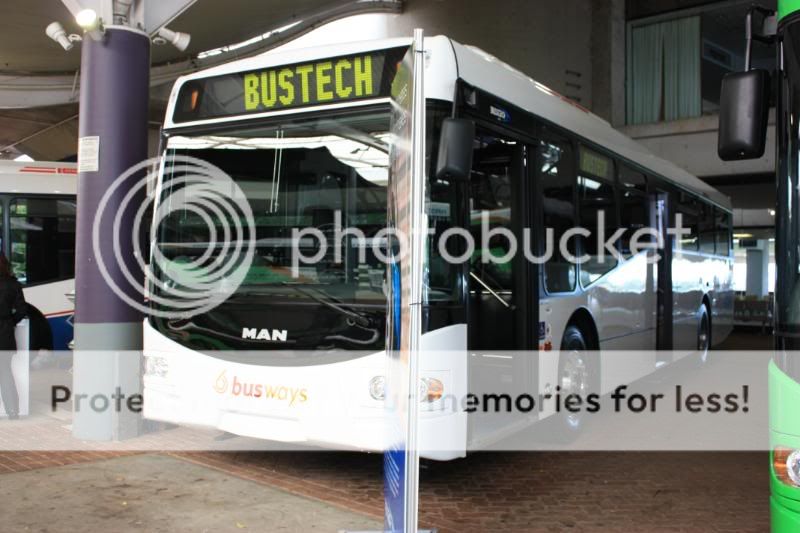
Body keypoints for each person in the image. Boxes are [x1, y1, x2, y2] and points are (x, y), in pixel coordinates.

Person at [0, 254, 26, 420]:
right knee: (5, 374)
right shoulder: (13, 284)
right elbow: (22, 310)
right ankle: (12, 411)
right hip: (5, 335)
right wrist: (10, 322)